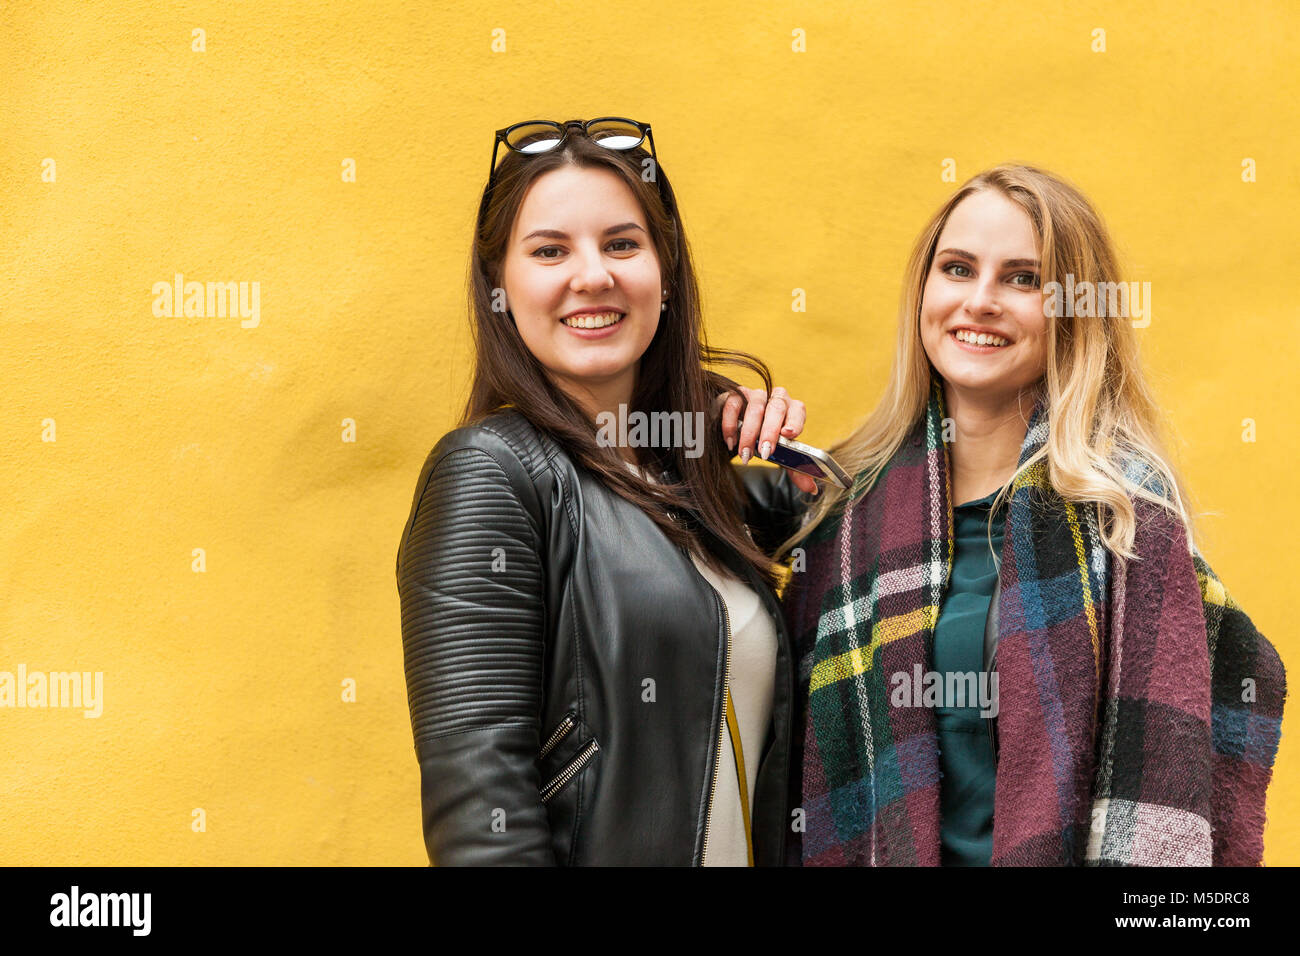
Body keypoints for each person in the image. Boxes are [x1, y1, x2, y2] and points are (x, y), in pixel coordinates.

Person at [729, 164, 1287, 866]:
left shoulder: (1124, 523)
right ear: (924, 292)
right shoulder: (844, 515)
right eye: (958, 269)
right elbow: (654, 509)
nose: (981, 301)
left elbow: (1171, 782)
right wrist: (713, 404)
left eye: (1023, 279)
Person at [395, 117, 815, 865]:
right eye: (550, 250)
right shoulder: (492, 474)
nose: (593, 275)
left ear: (665, 271)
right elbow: (480, 818)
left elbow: (874, 537)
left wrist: (764, 449)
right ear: (501, 287)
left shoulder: (696, 479)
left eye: (622, 244)